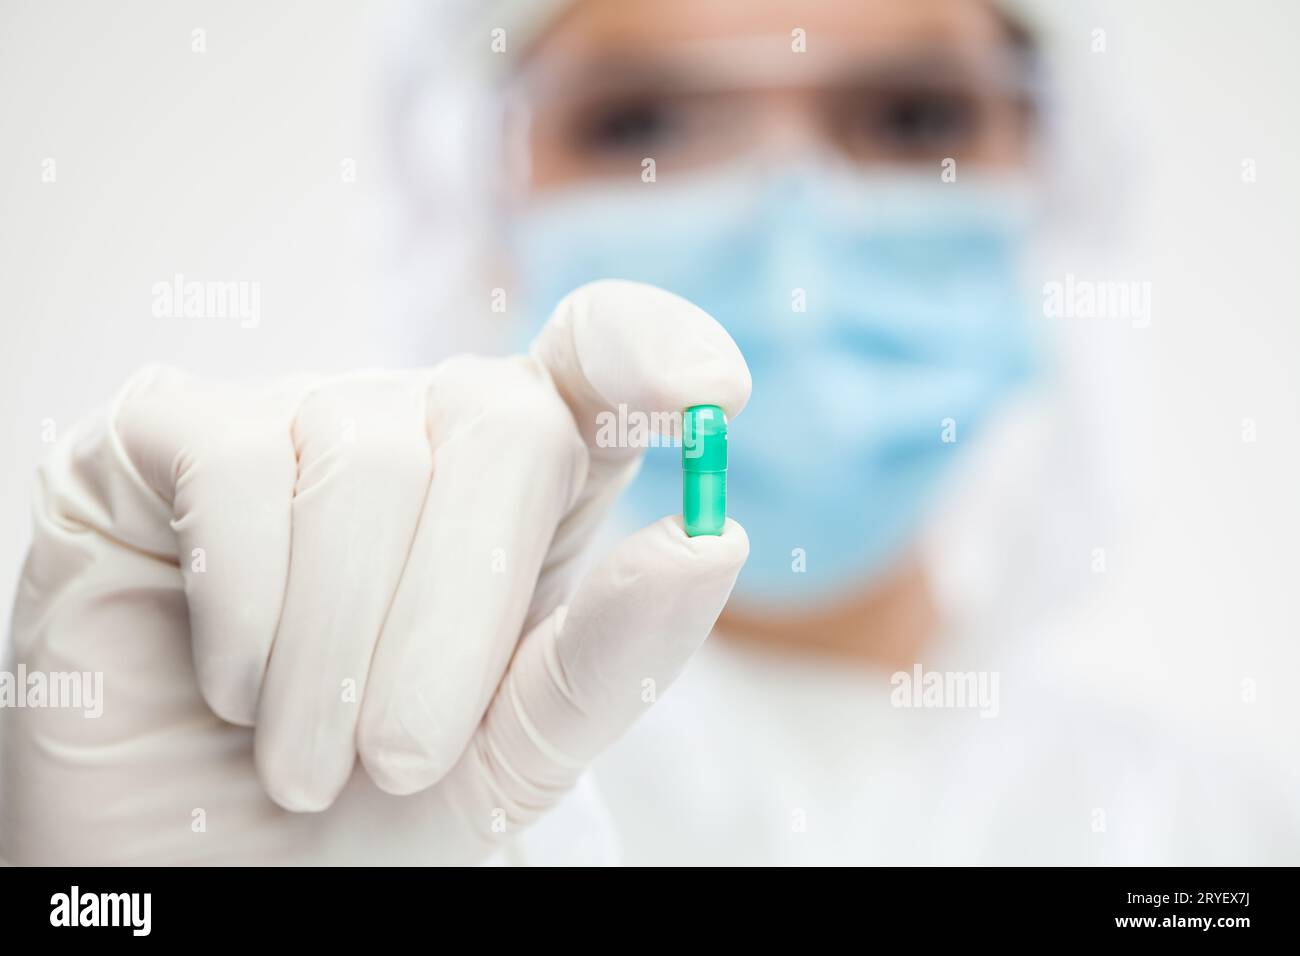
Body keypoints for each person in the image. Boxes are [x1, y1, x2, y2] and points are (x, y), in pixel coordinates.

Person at [1, 0, 1294, 865]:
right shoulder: (326, 775)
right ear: (477, 202)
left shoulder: (1218, 838)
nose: (794, 224)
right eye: (645, 126)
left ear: (1060, 180)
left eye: (913, 118)